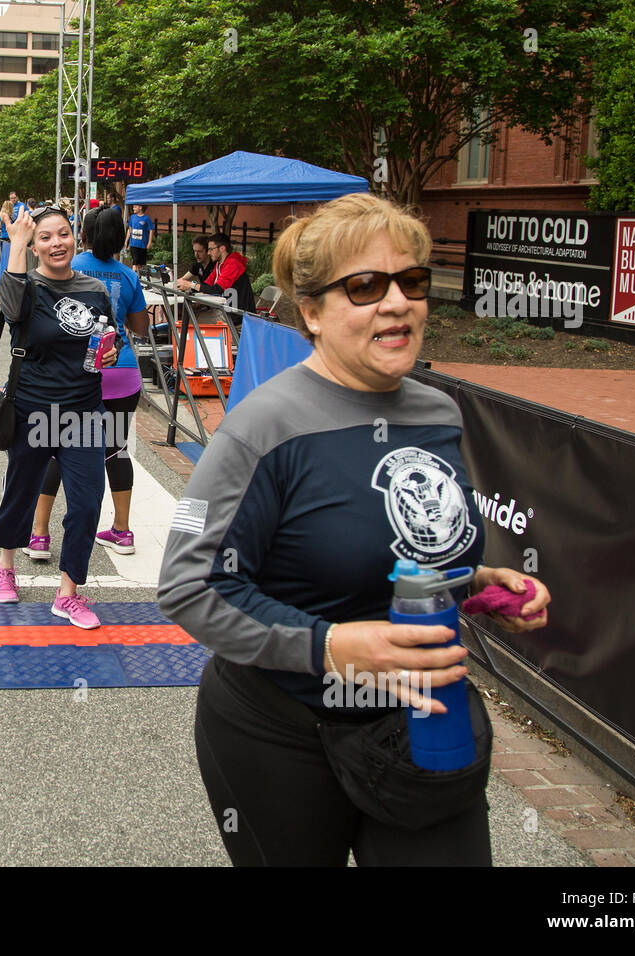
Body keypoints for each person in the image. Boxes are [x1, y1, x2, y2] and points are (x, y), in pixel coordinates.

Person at [157, 192, 552, 866]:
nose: (397, 302)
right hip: (280, 733)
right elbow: (190, 585)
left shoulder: (440, 412)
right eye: (365, 286)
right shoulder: (264, 425)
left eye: (412, 281)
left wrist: (479, 581)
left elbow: (399, 551)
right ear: (311, 312)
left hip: (422, 723)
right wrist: (332, 646)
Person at [0, 207, 119, 629]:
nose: (57, 243)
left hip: (84, 410)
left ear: (75, 237)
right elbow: (11, 307)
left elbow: (106, 335)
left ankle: (68, 593)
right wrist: (17, 245)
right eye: (45, 237)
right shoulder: (28, 285)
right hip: (32, 409)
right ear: (36, 246)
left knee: (85, 503)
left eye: (63, 234)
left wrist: (110, 353)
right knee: (22, 492)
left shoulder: (94, 288)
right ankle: (5, 563)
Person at [25, 205, 150, 563]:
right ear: (121, 237)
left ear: (82, 235)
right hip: (122, 375)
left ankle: (39, 535)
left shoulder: (70, 266)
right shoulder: (128, 276)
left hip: (78, 376)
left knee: (55, 450)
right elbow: (140, 328)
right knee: (116, 450)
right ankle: (122, 530)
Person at [178, 232, 257, 321]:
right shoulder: (220, 264)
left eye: (211, 249)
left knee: (188, 319)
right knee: (185, 314)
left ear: (222, 248)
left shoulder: (233, 264)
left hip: (236, 315)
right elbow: (207, 284)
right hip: (226, 310)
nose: (208, 253)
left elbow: (217, 289)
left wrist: (191, 285)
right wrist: (185, 287)